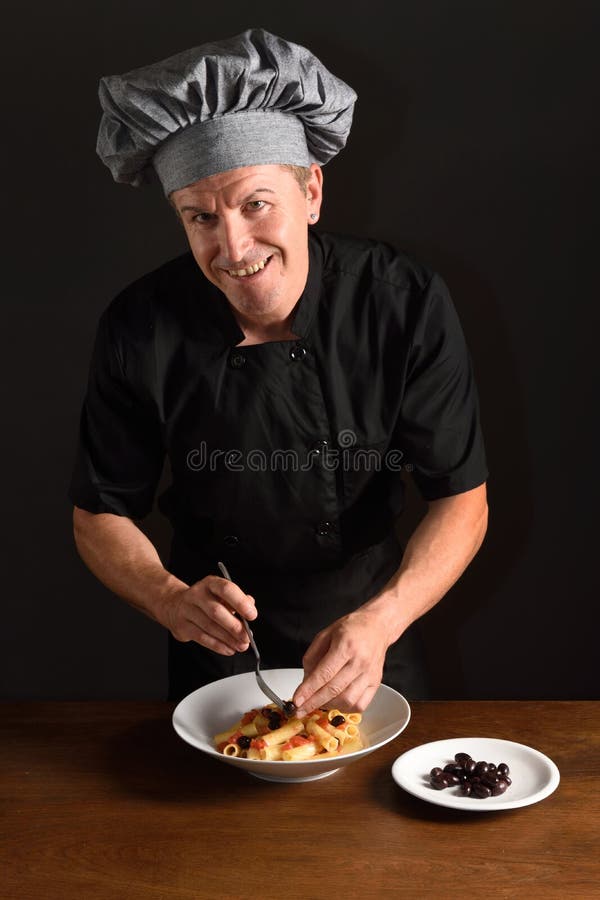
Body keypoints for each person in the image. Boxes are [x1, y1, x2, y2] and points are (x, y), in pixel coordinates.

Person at [70, 29, 488, 716]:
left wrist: (382, 620)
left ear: (311, 192)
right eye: (200, 217)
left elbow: (463, 501)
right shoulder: (139, 325)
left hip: (372, 627)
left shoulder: (400, 301)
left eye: (255, 204)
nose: (233, 246)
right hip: (217, 642)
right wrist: (168, 598)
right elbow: (99, 512)